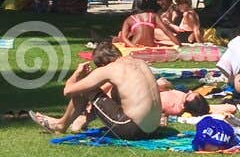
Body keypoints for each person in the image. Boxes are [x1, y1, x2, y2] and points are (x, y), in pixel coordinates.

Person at [32, 41, 163, 138]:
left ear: (102, 64)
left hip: (131, 129)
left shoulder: (109, 69)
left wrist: (77, 74)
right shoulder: (139, 63)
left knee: (85, 89)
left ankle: (61, 125)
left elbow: (68, 90)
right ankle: (77, 120)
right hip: (152, 129)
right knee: (112, 91)